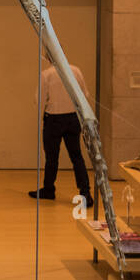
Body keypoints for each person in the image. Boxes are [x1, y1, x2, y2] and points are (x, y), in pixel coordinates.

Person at [29, 63, 94, 207]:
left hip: (54, 119)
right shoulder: (76, 70)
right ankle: (85, 193)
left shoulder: (47, 74)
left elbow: (39, 99)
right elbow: (85, 94)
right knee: (76, 156)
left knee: (52, 157)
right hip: (73, 118)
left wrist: (42, 115)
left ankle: (49, 189)